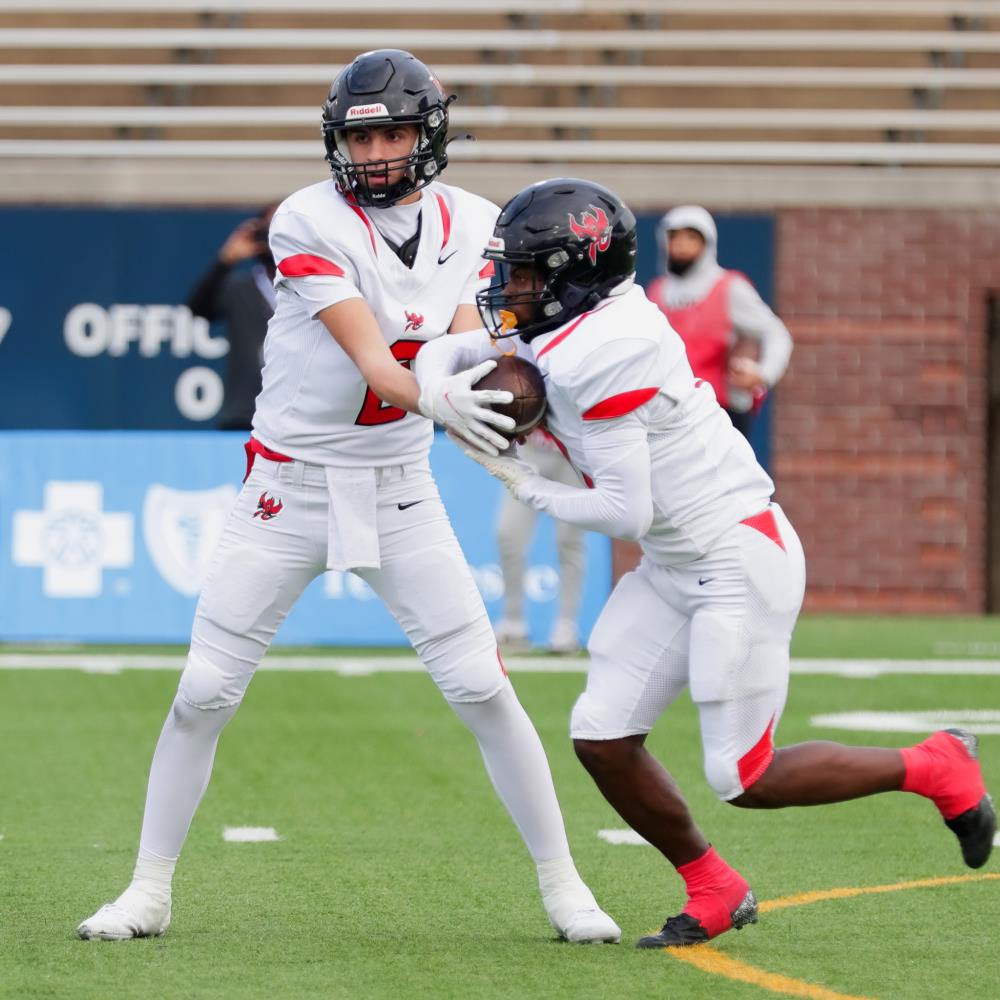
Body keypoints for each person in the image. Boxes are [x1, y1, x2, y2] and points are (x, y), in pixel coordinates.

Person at [76, 52, 619, 946]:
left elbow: (456, 341)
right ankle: (149, 889)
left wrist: (491, 389)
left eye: (391, 132)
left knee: (484, 686)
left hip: (402, 489)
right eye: (359, 135)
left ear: (428, 134)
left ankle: (565, 886)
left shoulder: (474, 221)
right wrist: (452, 400)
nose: (372, 153)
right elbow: (376, 360)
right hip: (287, 489)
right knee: (204, 692)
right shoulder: (306, 219)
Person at [414, 177, 996, 949]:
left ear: (573, 273)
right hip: (671, 560)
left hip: (733, 552)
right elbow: (446, 347)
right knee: (601, 736)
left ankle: (934, 765)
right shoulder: (569, 317)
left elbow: (626, 512)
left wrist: (523, 480)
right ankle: (713, 886)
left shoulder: (607, 347)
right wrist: (438, 393)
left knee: (741, 775)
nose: (505, 288)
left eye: (524, 272)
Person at [645, 205, 792, 439]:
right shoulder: (656, 292)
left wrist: (763, 374)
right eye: (675, 237)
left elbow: (775, 333)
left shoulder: (729, 287)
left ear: (707, 243)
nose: (682, 245)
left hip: (719, 414)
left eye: (691, 237)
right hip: (667, 416)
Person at [186, 203, 279, 430]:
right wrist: (226, 260)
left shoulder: (314, 286)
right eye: (268, 229)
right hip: (245, 415)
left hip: (297, 414)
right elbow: (197, 308)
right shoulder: (239, 287)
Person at [494, 427, 586, 655]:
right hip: (531, 446)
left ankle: (566, 626)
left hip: (573, 453)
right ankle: (513, 623)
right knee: (508, 534)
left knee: (569, 542)